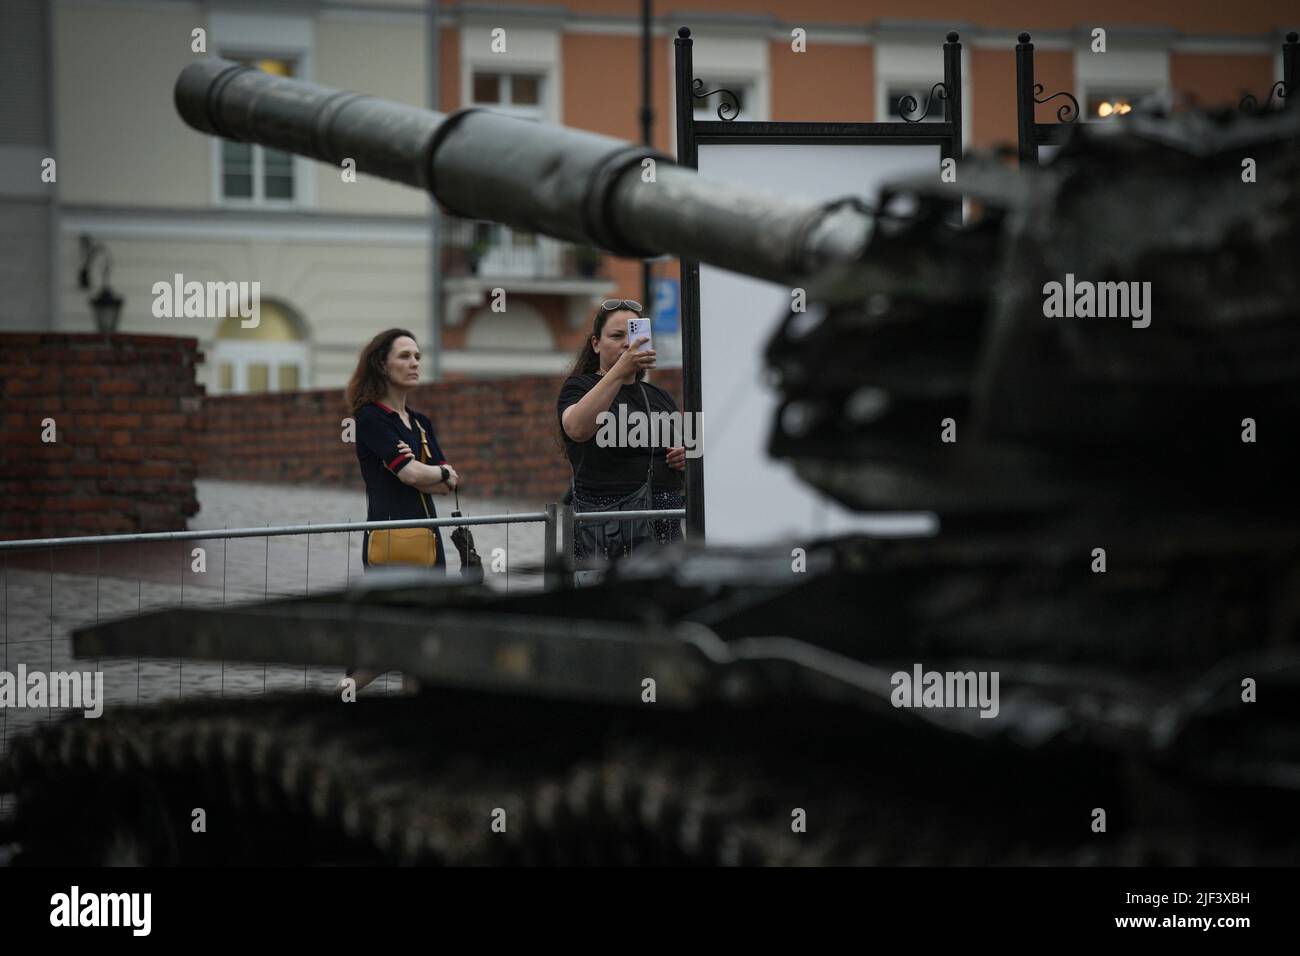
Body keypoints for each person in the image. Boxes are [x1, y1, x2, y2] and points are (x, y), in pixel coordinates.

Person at [342, 328, 461, 691]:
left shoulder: (421, 423)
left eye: (418, 357)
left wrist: (435, 474)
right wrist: (436, 472)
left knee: (422, 647)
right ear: (382, 363)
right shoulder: (370, 418)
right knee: (388, 647)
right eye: (404, 356)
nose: (414, 363)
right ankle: (336, 698)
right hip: (391, 540)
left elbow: (445, 485)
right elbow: (412, 474)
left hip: (430, 542)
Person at [557, 299, 686, 569]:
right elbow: (577, 428)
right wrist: (619, 371)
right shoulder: (579, 387)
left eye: (635, 336)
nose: (628, 344)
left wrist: (686, 458)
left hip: (663, 530)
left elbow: (689, 454)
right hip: (605, 530)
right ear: (596, 344)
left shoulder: (659, 397)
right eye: (616, 336)